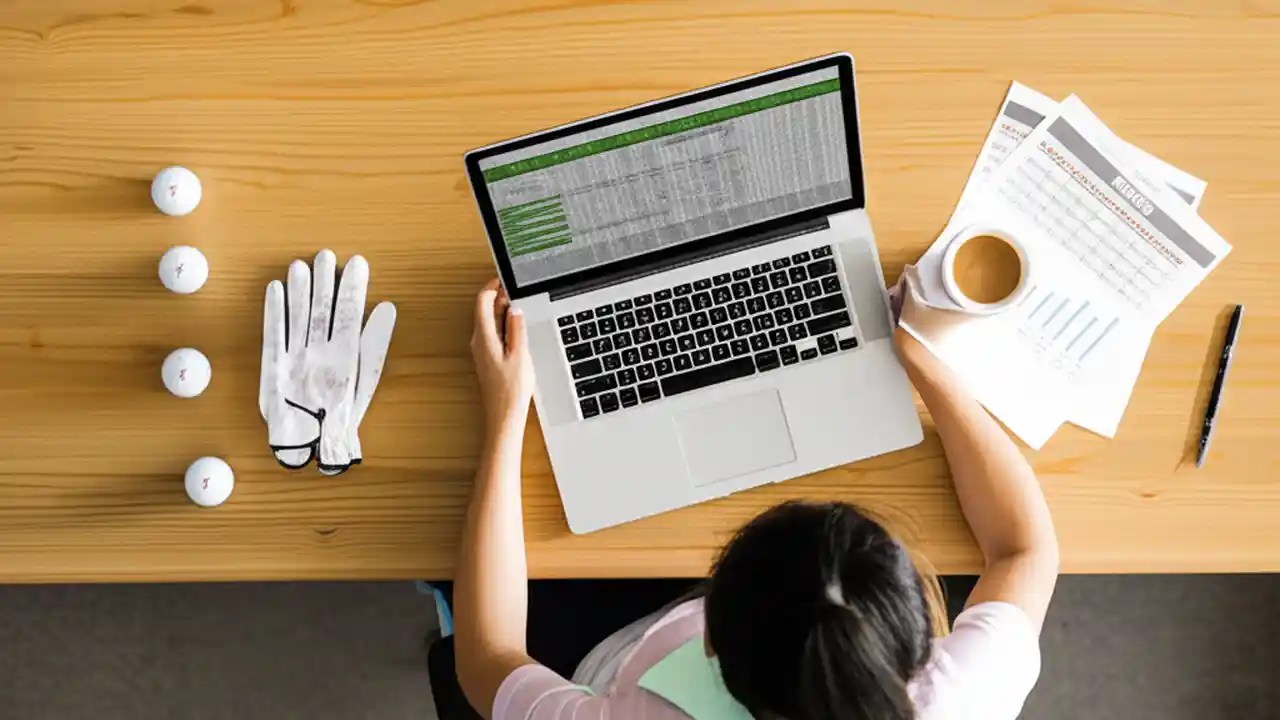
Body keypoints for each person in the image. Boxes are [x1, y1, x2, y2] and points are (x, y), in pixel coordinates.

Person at [454, 277, 1059, 720]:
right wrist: (921, 357)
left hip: (610, 649)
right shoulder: (961, 700)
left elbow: (487, 661)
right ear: (916, 648)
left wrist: (505, 416)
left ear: (709, 636)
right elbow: (1022, 548)